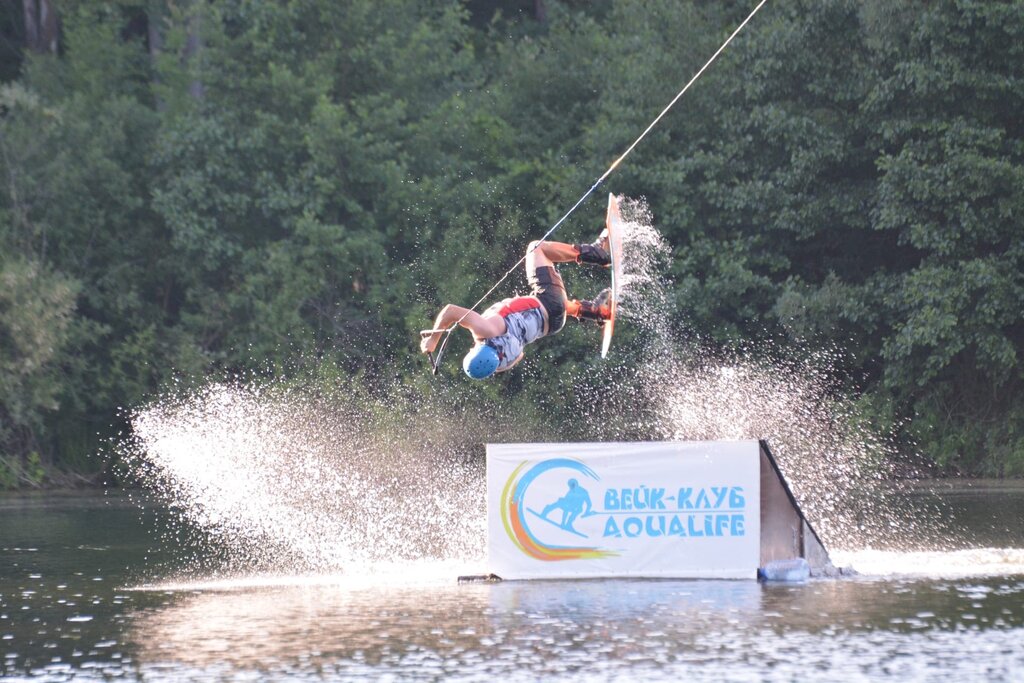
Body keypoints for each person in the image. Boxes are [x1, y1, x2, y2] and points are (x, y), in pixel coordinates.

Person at [420, 231, 612, 379]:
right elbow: (450, 311)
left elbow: (518, 354)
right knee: (536, 248)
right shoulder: (485, 331)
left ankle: (595, 311)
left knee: (541, 313)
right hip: (548, 299)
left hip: (554, 323)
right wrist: (434, 340)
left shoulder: (504, 363)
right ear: (474, 351)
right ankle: (596, 253)